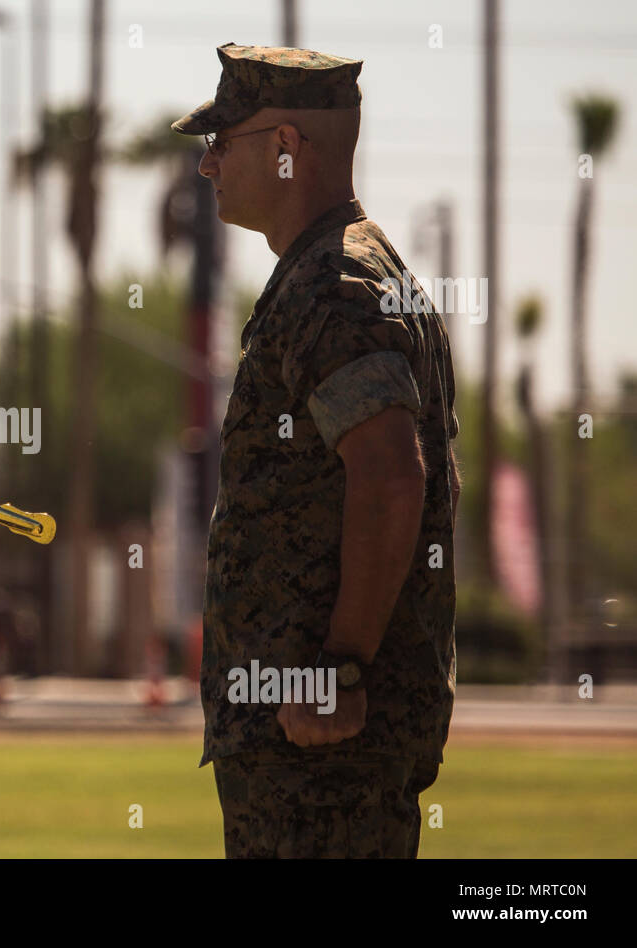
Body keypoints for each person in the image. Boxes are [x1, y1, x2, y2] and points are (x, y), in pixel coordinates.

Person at [171, 44, 461, 858]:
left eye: (223, 140)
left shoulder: (337, 285)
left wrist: (340, 667)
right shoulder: (336, 273)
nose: (207, 165)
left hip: (324, 746)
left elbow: (390, 477)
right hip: (309, 740)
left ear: (286, 147)